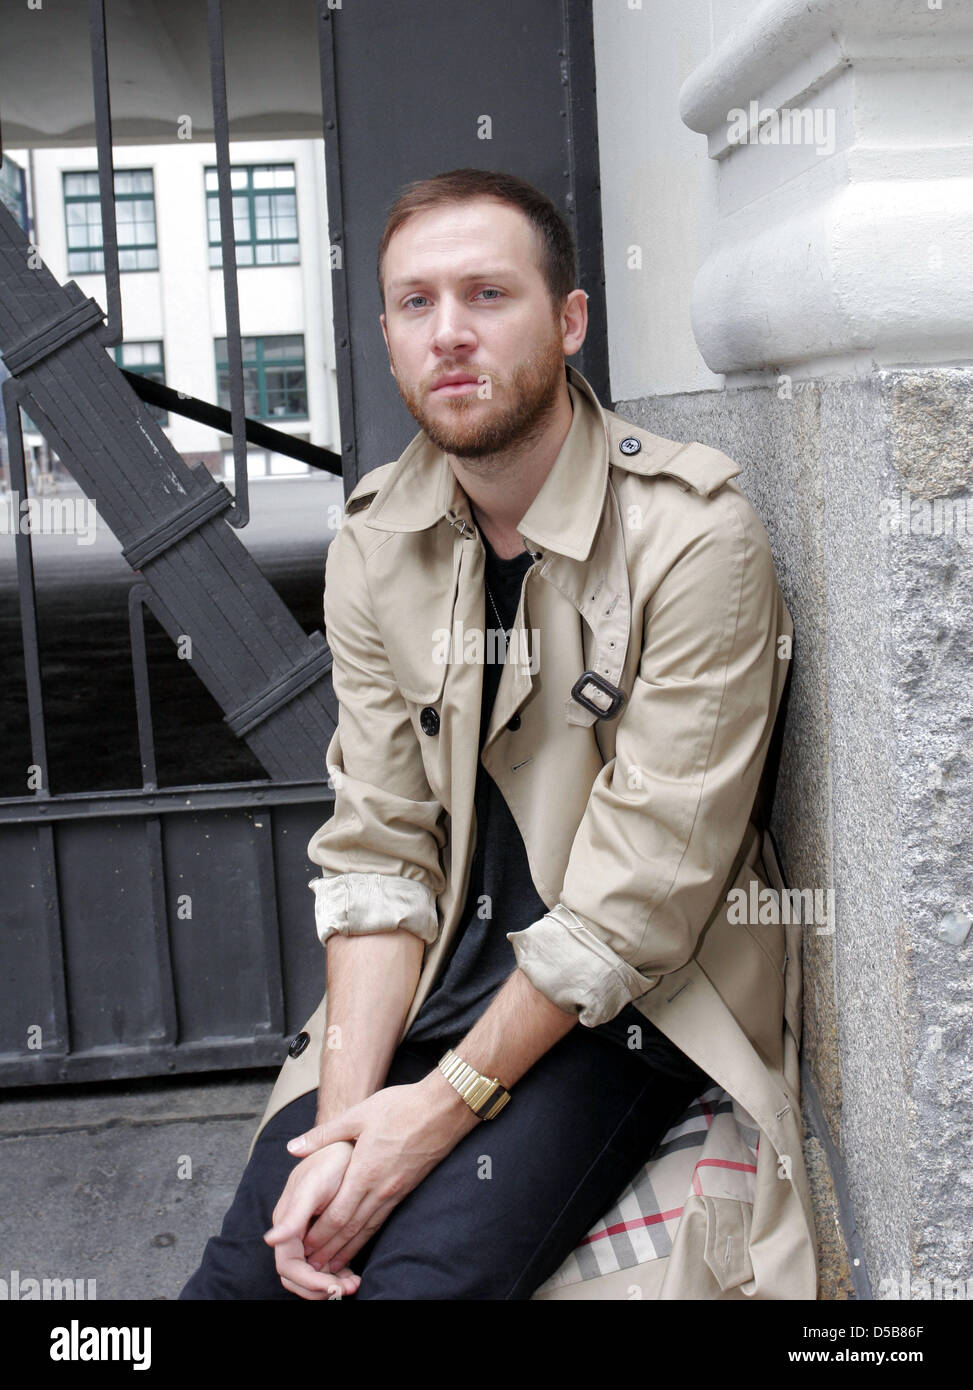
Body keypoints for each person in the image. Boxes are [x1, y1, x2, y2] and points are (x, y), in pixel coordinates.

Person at [180, 168, 817, 1302]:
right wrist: (343, 1136)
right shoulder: (377, 538)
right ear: (385, 339)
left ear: (569, 319)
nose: (450, 333)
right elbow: (379, 847)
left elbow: (633, 910)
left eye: (487, 293)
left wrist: (434, 1117)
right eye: (416, 304)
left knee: (418, 1284)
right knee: (244, 1282)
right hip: (438, 981)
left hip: (624, 1007)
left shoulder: (693, 537)